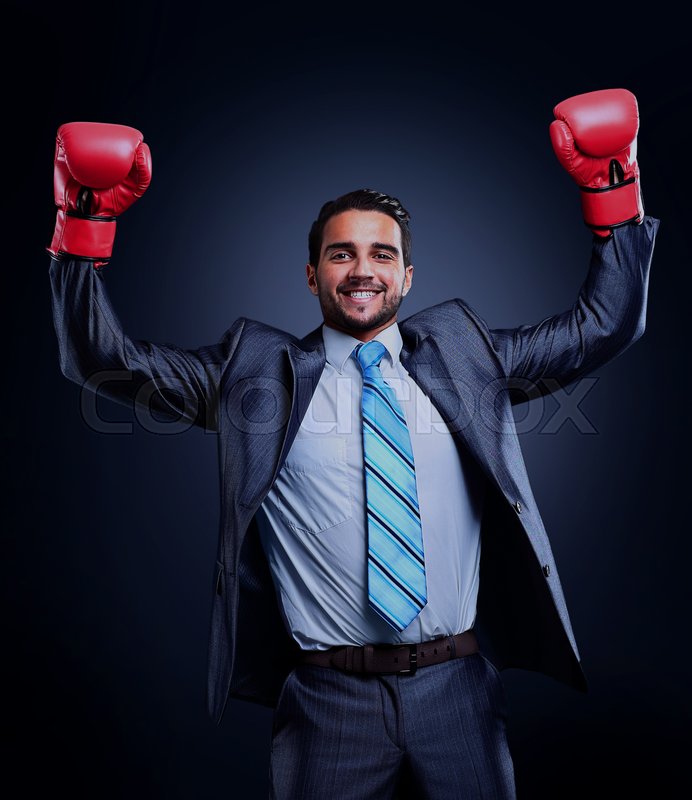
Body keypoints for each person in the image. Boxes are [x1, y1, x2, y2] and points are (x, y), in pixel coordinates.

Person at [47, 89, 659, 799]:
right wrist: (84, 226)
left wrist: (614, 191)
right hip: (325, 703)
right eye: (341, 254)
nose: (361, 269)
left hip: (456, 692)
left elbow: (604, 326)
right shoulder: (253, 376)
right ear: (313, 276)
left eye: (380, 254)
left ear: (406, 277)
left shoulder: (468, 355)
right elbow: (104, 360)